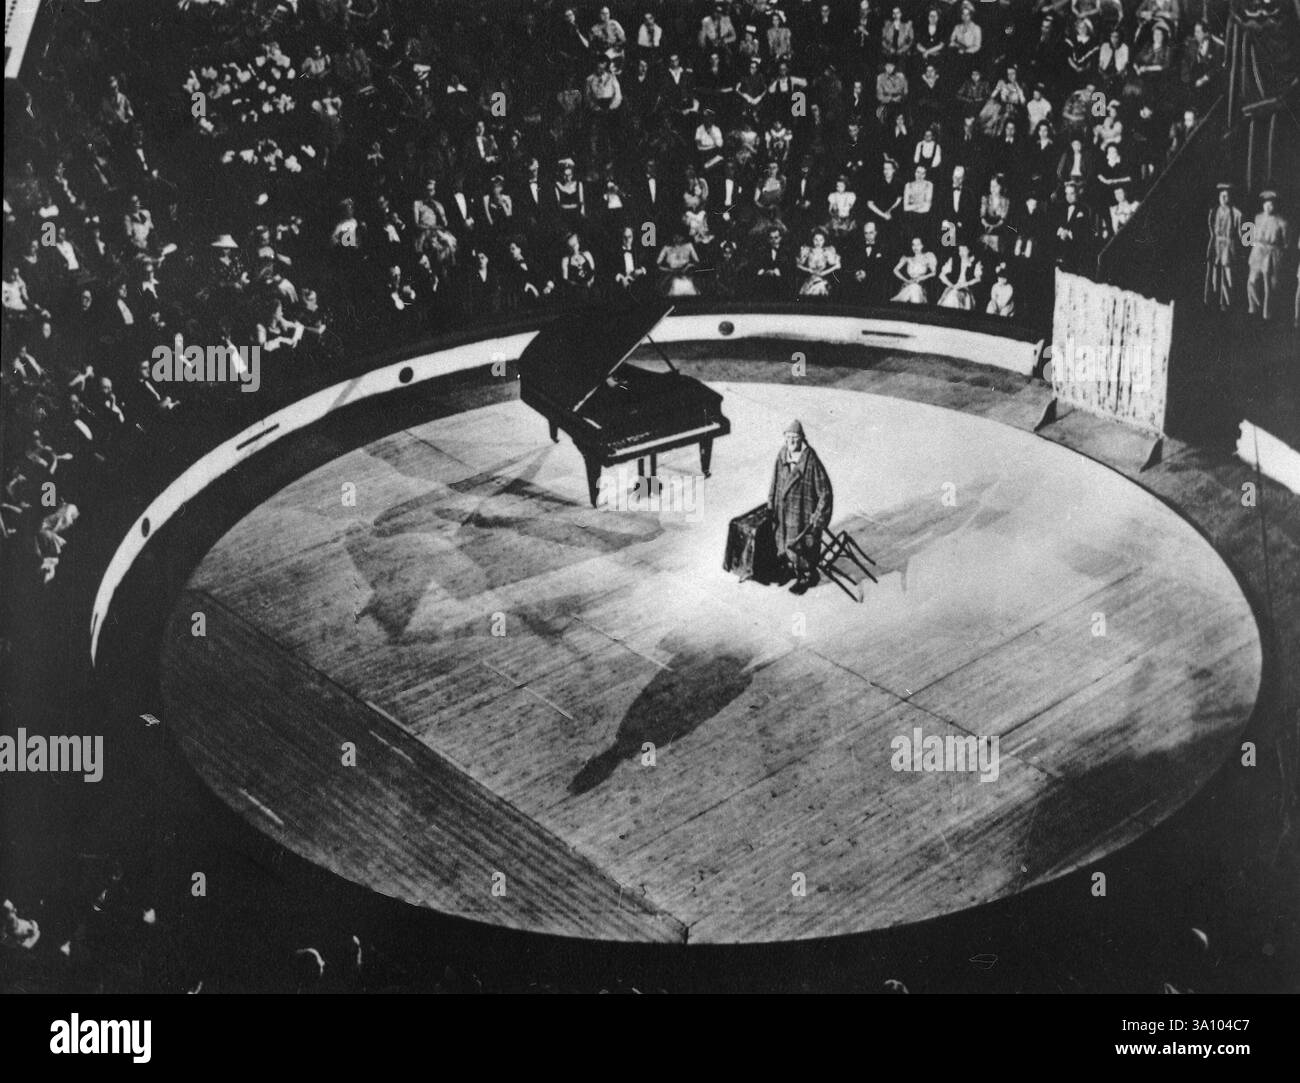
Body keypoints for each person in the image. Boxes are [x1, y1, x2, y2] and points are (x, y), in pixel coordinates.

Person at [768, 420, 833, 595]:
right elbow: (774, 484)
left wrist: (817, 518)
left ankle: (807, 576)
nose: (791, 442)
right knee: (785, 544)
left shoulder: (810, 461)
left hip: (802, 516)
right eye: (788, 437)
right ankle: (791, 569)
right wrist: (770, 505)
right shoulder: (782, 455)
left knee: (802, 548)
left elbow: (825, 492)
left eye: (795, 438)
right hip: (784, 514)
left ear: (802, 439)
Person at [1246, 190, 1289, 322]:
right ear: (1262, 205)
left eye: (1271, 204)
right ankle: (1254, 306)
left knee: (1269, 284)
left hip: (1272, 254)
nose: (1268, 207)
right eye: (1266, 204)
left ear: (1275, 205)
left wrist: (1277, 254)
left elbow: (1286, 243)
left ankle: (1267, 312)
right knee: (1251, 281)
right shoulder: (1257, 217)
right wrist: (1252, 247)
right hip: (1258, 251)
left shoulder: (1282, 222)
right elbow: (1248, 238)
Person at [1203, 182, 1245, 311]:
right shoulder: (1213, 211)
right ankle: (1210, 299)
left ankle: (1226, 302)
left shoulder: (1237, 213)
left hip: (1229, 245)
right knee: (1214, 271)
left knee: (1228, 274)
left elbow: (1247, 234)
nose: (1224, 198)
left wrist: (1249, 247)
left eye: (1227, 196)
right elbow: (1210, 229)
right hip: (1216, 244)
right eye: (1222, 196)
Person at [797, 228, 841, 296]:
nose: (818, 242)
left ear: (824, 240)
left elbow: (836, 266)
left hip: (822, 281)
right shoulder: (807, 251)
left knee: (820, 286)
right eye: (816, 240)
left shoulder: (827, 252)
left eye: (821, 240)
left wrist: (833, 267)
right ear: (812, 239)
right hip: (809, 281)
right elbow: (798, 265)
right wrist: (808, 270)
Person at [892, 235, 937, 302]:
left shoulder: (928, 256)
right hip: (908, 285)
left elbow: (934, 273)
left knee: (915, 288)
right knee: (912, 288)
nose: (915, 247)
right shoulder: (908, 258)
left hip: (921, 287)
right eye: (913, 245)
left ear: (923, 245)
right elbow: (895, 270)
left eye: (918, 244)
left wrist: (922, 278)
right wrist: (906, 280)